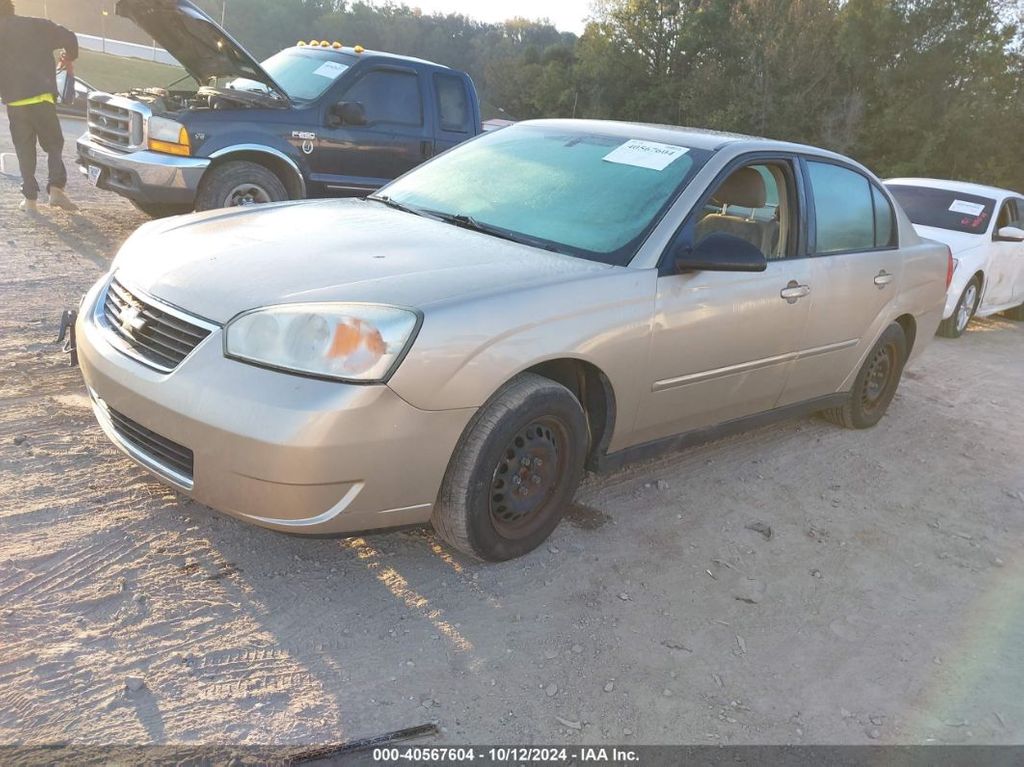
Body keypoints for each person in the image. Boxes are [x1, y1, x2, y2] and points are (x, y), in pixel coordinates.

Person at [0, 0, 79, 214]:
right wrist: (69, 56)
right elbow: (70, 37)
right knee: (54, 144)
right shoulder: (38, 25)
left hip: (16, 103)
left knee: (25, 151)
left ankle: (30, 201)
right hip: (42, 98)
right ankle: (56, 190)